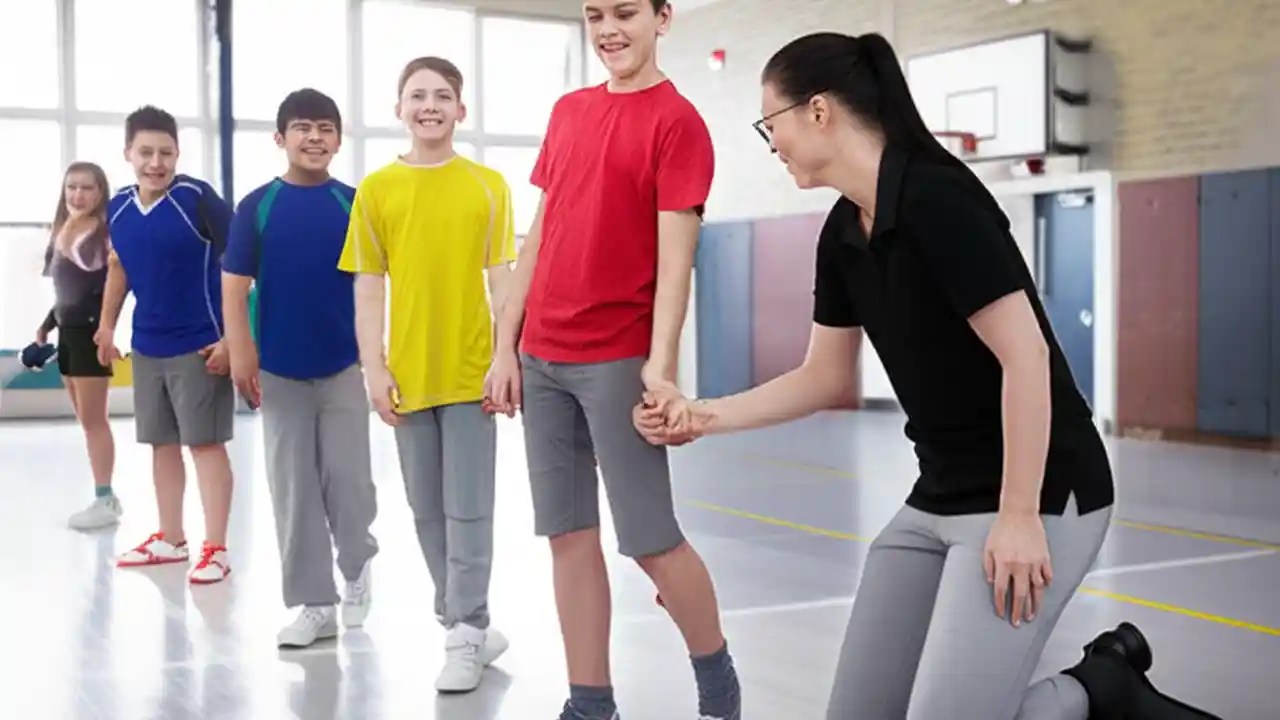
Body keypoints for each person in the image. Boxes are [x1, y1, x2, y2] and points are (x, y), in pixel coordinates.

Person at [634, 31, 1223, 720]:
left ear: (818, 111)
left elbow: (1026, 356)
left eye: (773, 124)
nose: (773, 143)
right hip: (938, 494)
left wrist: (1017, 516)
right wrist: (702, 414)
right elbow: (824, 376)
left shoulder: (937, 198)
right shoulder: (842, 234)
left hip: (1042, 492)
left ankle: (1100, 688)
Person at [483, 2, 741, 719]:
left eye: (624, 11)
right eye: (594, 14)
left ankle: (717, 679)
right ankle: (590, 702)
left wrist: (659, 368)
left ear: (664, 18)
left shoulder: (678, 122)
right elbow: (539, 236)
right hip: (541, 359)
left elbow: (675, 261)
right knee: (567, 536)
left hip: (616, 358)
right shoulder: (568, 112)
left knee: (651, 542)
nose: (608, 29)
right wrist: (506, 343)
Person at [338, 56, 515, 693]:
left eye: (443, 95)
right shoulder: (377, 191)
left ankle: (464, 629)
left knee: (470, 509)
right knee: (426, 511)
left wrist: (506, 356)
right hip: (407, 377)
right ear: (399, 108)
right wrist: (374, 368)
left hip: (472, 374)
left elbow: (502, 282)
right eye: (418, 95)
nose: (430, 105)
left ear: (461, 109)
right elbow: (367, 289)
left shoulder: (489, 186)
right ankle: (464, 620)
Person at [222, 89, 378, 648]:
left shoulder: (355, 204)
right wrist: (242, 351)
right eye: (302, 127)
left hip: (343, 368)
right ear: (280, 138)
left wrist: (378, 356)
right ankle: (315, 603)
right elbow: (234, 288)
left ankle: (357, 565)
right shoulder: (256, 207)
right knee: (294, 489)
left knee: (349, 482)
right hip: (281, 372)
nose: (315, 137)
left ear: (339, 139)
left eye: (325, 128)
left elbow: (375, 286)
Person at [95, 105, 236, 586]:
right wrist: (106, 326)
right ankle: (171, 539)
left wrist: (234, 339)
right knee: (161, 444)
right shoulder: (117, 207)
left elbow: (242, 266)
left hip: (200, 345)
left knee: (205, 444)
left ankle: (215, 547)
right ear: (128, 153)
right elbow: (121, 268)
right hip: (148, 346)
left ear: (178, 153)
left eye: (166, 152)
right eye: (146, 152)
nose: (156, 162)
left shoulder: (197, 199)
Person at [37, 161, 120, 531]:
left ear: (100, 192)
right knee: (85, 422)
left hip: (90, 333)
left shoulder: (103, 235)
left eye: (87, 188)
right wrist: (46, 324)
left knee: (94, 421)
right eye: (72, 187)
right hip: (67, 333)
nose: (78, 195)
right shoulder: (60, 231)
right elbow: (64, 294)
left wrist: (107, 329)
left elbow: (106, 288)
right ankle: (103, 495)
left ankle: (105, 498)